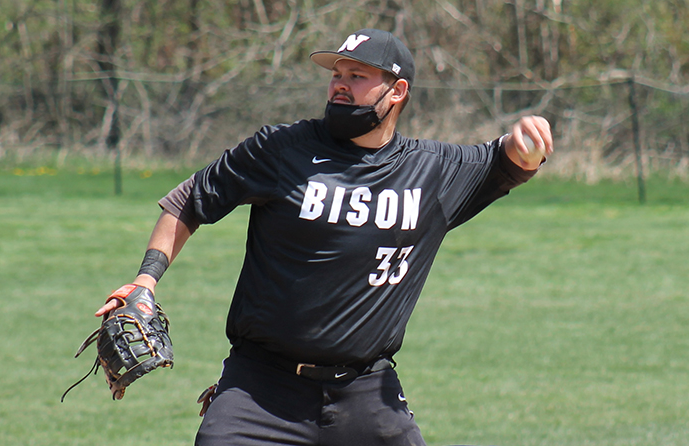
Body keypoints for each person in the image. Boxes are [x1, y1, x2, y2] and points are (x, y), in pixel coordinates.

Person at [95, 28, 553, 445]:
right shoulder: (282, 149)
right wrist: (146, 279)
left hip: (367, 395)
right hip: (260, 393)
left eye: (357, 75)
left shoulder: (431, 172)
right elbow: (190, 200)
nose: (340, 83)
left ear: (397, 92)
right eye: (337, 73)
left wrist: (528, 142)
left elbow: (505, 161)